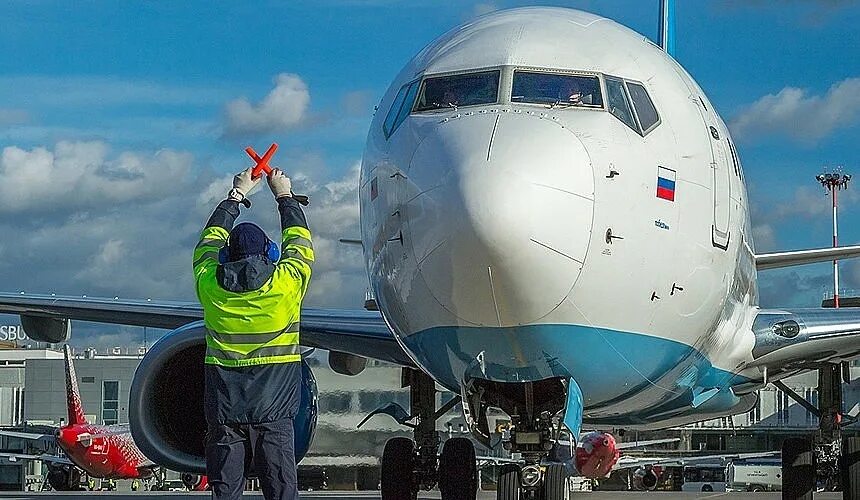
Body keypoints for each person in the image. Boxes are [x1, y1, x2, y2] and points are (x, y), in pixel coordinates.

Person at [193, 166, 314, 500]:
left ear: (226, 256)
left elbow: (208, 243)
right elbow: (300, 243)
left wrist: (237, 194)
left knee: (225, 493)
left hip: (224, 414)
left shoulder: (210, 284)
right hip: (274, 415)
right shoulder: (286, 286)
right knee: (281, 491)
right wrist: (284, 195)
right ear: (269, 254)